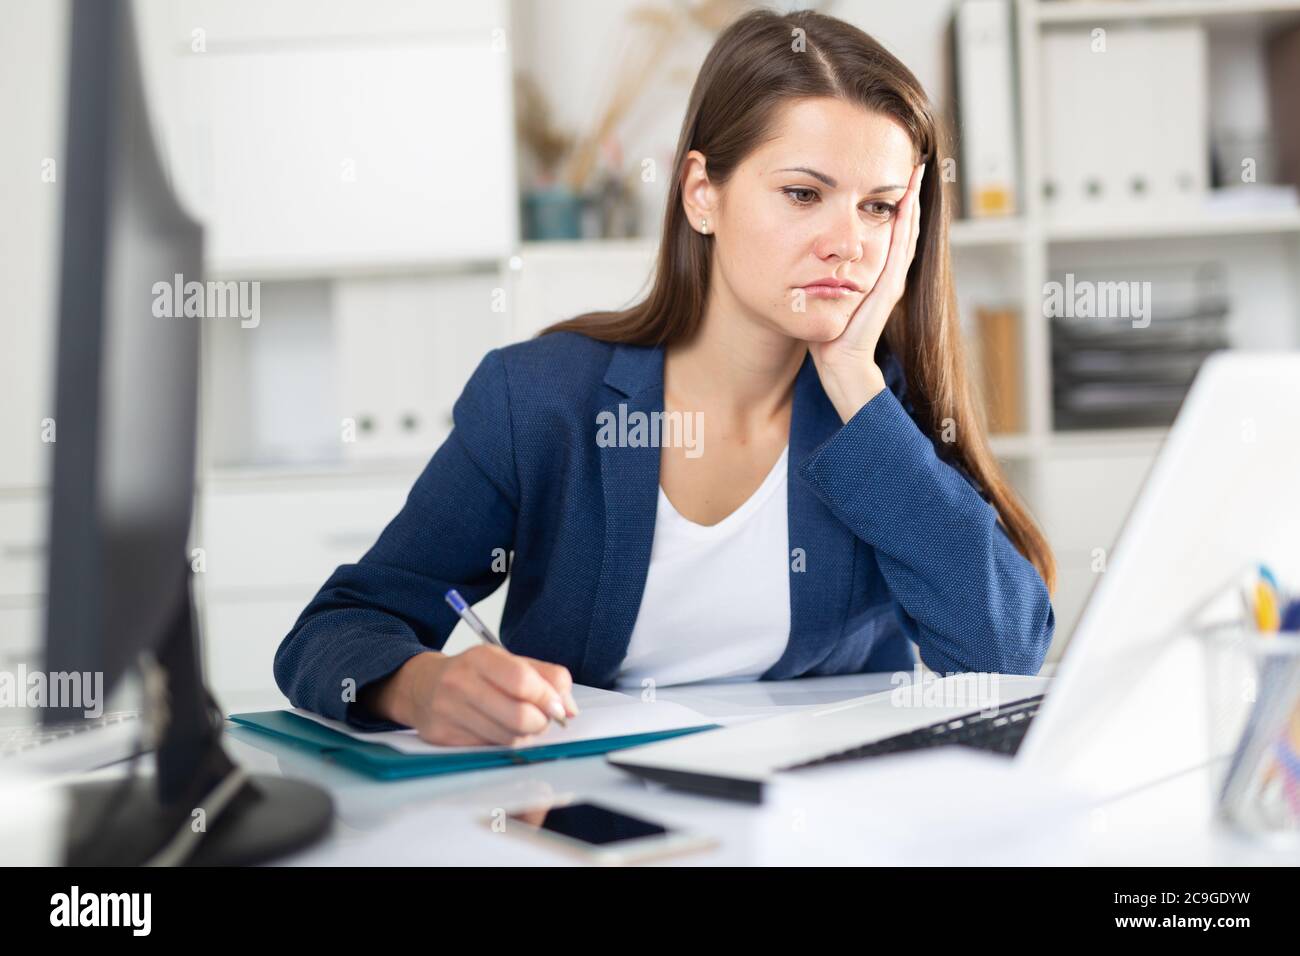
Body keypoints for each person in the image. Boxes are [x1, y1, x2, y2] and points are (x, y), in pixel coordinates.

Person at [274, 8, 1057, 747]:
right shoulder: (542, 401)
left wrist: (853, 378)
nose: (847, 242)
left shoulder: (885, 413)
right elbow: (335, 629)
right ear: (701, 193)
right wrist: (422, 684)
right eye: (803, 194)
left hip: (820, 822)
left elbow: (1001, 657)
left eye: (879, 208)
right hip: (596, 816)